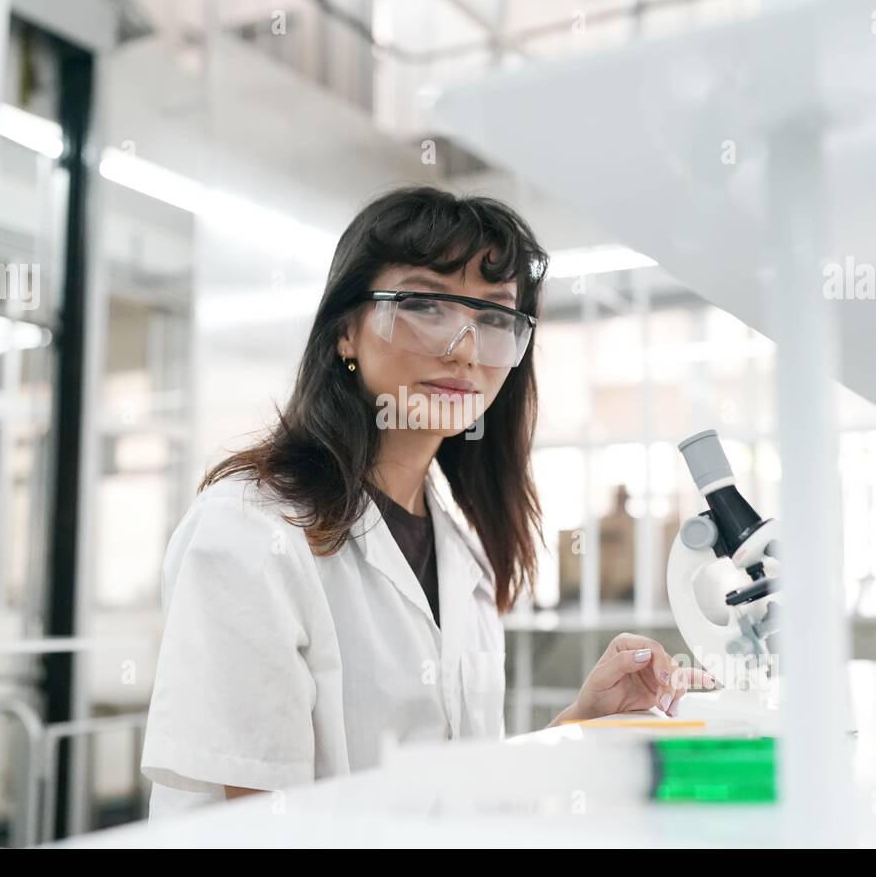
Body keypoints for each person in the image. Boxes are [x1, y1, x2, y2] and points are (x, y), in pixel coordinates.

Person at [140, 186, 714, 819]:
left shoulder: (461, 545)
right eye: (425, 306)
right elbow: (264, 824)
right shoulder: (251, 527)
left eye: (495, 318)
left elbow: (457, 786)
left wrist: (580, 721)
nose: (464, 349)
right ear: (345, 334)